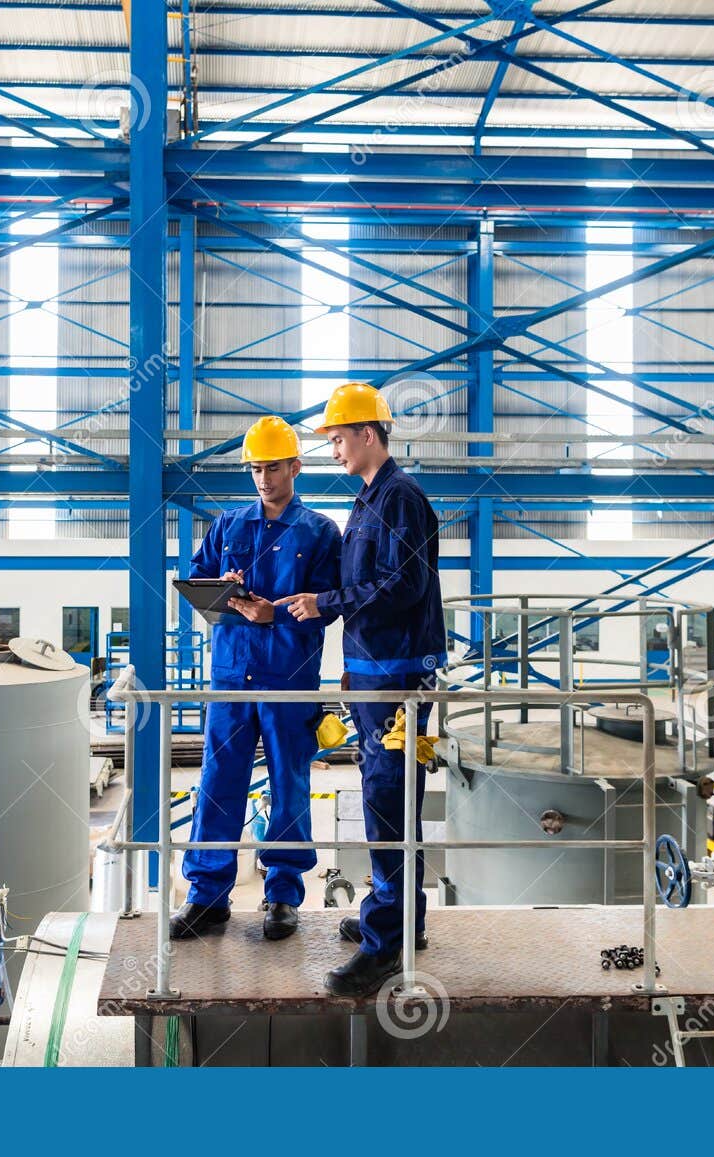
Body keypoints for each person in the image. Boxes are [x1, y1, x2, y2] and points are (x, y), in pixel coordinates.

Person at [275, 382, 446, 995]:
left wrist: (326, 601)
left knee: (387, 804)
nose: (335, 450)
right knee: (392, 802)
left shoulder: (399, 499)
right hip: (376, 673)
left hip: (397, 677)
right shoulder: (372, 500)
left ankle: (385, 947)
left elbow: (400, 590)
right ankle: (403, 921)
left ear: (368, 434)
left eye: (340, 438)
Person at [170, 415, 341, 942]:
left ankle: (283, 895)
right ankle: (207, 896)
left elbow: (331, 604)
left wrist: (278, 615)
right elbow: (198, 580)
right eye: (255, 469)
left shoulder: (319, 533)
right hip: (230, 674)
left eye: (272, 467)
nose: (263, 478)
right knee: (219, 783)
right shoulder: (229, 525)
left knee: (290, 782)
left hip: (288, 675)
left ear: (295, 466)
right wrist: (220, 587)